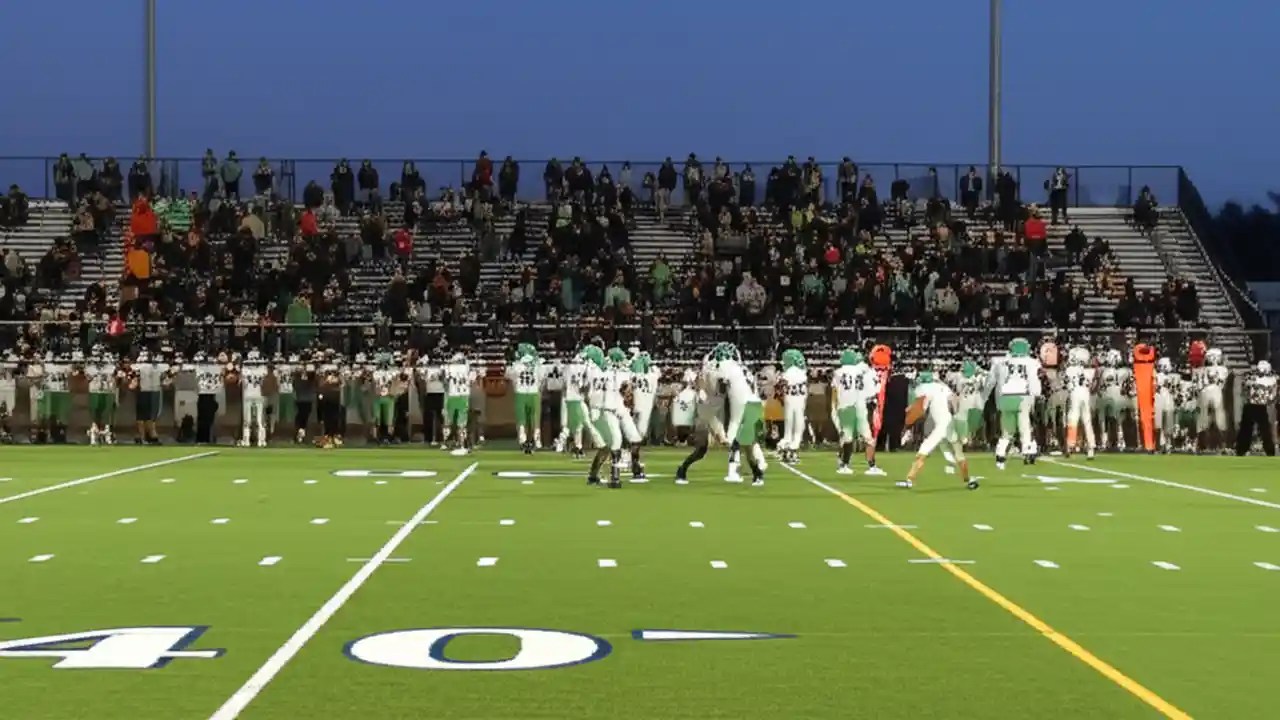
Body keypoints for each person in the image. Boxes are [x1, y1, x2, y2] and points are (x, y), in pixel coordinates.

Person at [897, 371, 979, 490]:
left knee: (924, 450)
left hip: (941, 425)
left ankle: (910, 479)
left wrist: (908, 422)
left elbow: (920, 409)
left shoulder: (923, 388)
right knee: (958, 451)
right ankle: (968, 479)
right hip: (949, 421)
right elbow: (954, 401)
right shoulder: (942, 387)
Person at [986, 337, 1041, 469]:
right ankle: (1027, 450)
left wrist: (991, 398)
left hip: (1005, 397)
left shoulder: (1000, 362)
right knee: (1024, 426)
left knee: (1007, 430)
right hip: (1023, 396)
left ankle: (1000, 454)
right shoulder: (1031, 362)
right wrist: (1036, 396)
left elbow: (991, 382)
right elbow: (1034, 382)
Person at [830, 348, 885, 476]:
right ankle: (872, 466)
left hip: (845, 406)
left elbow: (835, 392)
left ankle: (844, 465)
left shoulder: (838, 372)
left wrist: (834, 407)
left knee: (847, 437)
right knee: (868, 437)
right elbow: (871, 388)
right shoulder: (861, 370)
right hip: (860, 405)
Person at [507, 343, 545, 454]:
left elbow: (509, 375)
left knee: (521, 420)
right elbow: (541, 379)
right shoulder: (538, 364)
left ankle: (523, 441)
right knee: (535, 419)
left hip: (520, 393)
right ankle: (536, 441)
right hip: (534, 393)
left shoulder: (517, 365)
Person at [1236, 361, 1276, 456]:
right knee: (1256, 429)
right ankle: (1268, 451)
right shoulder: (1269, 380)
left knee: (1259, 430)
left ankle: (1242, 450)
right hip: (1256, 406)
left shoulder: (1255, 379)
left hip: (1256, 406)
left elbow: (1245, 388)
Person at [1063, 347, 1097, 459]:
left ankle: (1070, 444)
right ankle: (1091, 446)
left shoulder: (1070, 370)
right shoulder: (1090, 371)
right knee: (1087, 420)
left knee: (1073, 418)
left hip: (1075, 393)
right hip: (1085, 394)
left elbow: (1066, 383)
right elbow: (1092, 385)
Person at [555, 352, 589, 459]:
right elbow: (585, 386)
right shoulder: (585, 368)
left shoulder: (568, 368)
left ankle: (572, 445)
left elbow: (564, 385)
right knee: (577, 425)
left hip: (569, 398)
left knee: (574, 425)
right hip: (576, 398)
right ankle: (566, 443)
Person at [1195, 348, 1230, 453]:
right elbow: (1198, 385)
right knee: (1204, 418)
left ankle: (1221, 444)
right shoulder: (1202, 370)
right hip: (1208, 391)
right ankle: (1203, 445)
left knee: (1218, 417)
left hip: (1214, 391)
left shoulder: (1222, 370)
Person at [778, 348, 809, 465]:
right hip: (800, 403)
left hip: (789, 402)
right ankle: (792, 451)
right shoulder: (803, 374)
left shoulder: (786, 374)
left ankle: (784, 449)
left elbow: (780, 390)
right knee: (798, 429)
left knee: (788, 429)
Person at [441, 352, 475, 456]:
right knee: (462, 423)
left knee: (447, 421)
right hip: (463, 396)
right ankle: (461, 444)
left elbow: (445, 382)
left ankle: (445, 443)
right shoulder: (468, 368)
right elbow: (472, 381)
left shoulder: (449, 368)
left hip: (451, 395)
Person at [239, 349, 270, 447]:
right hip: (257, 394)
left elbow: (243, 382)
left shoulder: (245, 369)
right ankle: (261, 441)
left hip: (249, 394)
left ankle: (247, 441)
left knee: (249, 420)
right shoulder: (263, 369)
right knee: (259, 420)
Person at [630, 352, 661, 445]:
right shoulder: (653, 374)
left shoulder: (633, 374)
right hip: (645, 402)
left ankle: (630, 447)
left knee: (633, 426)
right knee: (640, 428)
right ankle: (633, 447)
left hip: (636, 401)